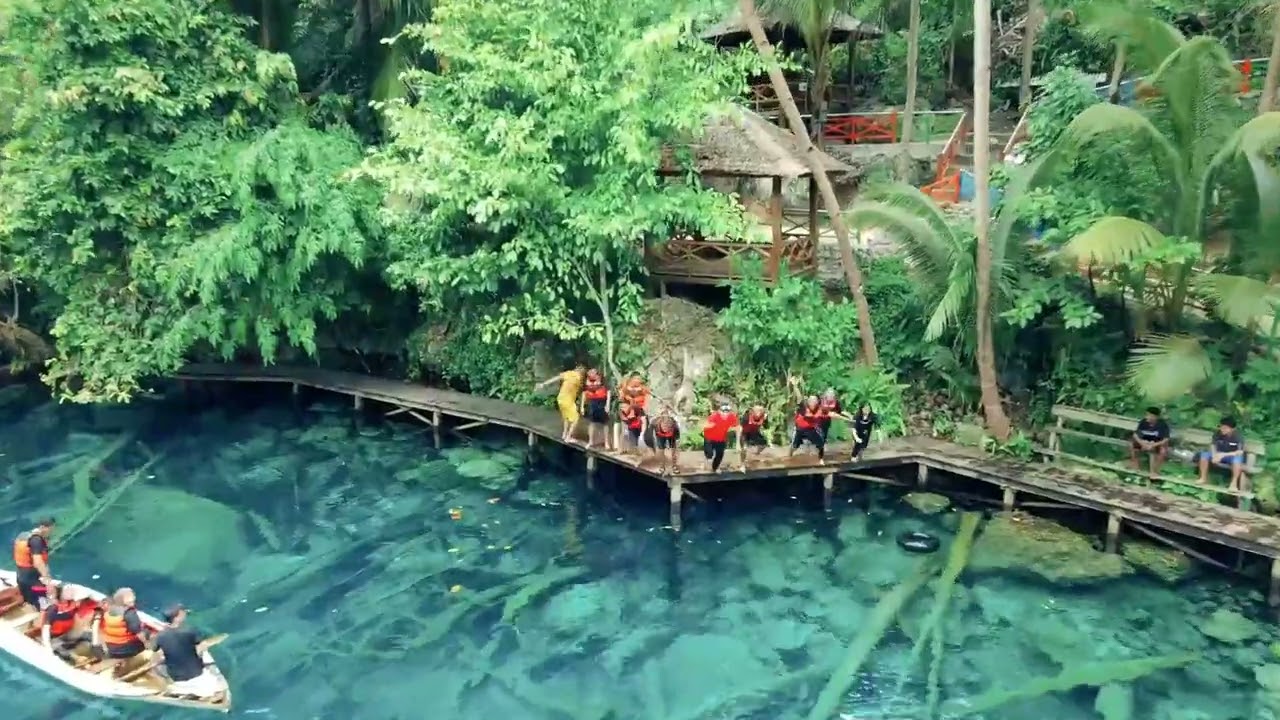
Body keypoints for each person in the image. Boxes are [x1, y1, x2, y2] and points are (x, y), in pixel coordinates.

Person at [154, 605, 224, 700]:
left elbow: (156, 655)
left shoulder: (160, 636)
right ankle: (202, 693)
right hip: (197, 675)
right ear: (176, 618)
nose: (185, 615)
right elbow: (200, 649)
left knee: (161, 666)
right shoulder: (190, 631)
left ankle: (180, 689)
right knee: (220, 690)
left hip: (176, 678)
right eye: (182, 614)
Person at [98, 587, 150, 665]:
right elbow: (139, 634)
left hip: (109, 647)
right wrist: (147, 645)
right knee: (146, 632)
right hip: (123, 649)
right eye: (129, 597)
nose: (133, 599)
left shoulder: (109, 609)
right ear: (121, 599)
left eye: (133, 596)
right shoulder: (130, 613)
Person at [13, 518, 55, 611]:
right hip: (30, 579)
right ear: (43, 527)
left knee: (30, 599)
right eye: (50, 529)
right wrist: (47, 578)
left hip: (21, 576)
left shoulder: (24, 535)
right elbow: (38, 562)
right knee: (47, 601)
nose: (51, 532)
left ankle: (33, 607)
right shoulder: (36, 541)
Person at [535, 365, 585, 442]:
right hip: (567, 400)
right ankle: (568, 437)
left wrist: (543, 384)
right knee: (576, 419)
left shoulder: (568, 373)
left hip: (561, 398)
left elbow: (556, 378)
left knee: (566, 417)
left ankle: (564, 434)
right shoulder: (578, 378)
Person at [37, 584, 88, 658]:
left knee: (87, 634)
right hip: (54, 638)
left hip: (67, 633)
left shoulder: (74, 605)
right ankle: (76, 658)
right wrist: (48, 647)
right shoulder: (52, 610)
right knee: (58, 647)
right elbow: (45, 631)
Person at [1198, 416, 1247, 492]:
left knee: (1237, 461)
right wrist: (1214, 455)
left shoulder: (1238, 436)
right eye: (1221, 427)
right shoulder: (1218, 433)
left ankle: (1233, 484)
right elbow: (1213, 445)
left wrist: (1223, 455)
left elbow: (1239, 452)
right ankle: (1203, 478)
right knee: (1204, 455)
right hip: (1218, 455)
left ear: (1232, 429)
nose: (1222, 429)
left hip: (1231, 456)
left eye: (1225, 428)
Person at [1130, 406, 1170, 478]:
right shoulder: (1143, 422)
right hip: (1143, 442)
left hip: (1155, 443)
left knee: (1162, 451)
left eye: (1148, 415)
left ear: (1155, 417)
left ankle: (1154, 471)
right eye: (1146, 415)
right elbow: (1135, 435)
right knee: (1132, 445)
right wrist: (1142, 443)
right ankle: (1135, 467)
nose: (1146, 417)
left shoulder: (1162, 425)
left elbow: (1165, 439)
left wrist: (1153, 445)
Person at [701, 402, 740, 473]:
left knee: (720, 455)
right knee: (709, 455)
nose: (725, 414)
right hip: (709, 437)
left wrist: (738, 443)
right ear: (719, 411)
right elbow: (704, 425)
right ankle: (707, 460)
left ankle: (714, 468)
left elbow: (738, 428)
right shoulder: (714, 417)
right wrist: (708, 426)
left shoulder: (732, 417)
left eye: (727, 412)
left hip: (721, 438)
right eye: (723, 412)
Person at [580, 368, 612, 449]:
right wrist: (582, 406)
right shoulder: (586, 381)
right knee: (591, 423)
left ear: (597, 373)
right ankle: (590, 441)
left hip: (602, 402)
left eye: (593, 372)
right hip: (592, 402)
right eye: (590, 373)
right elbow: (584, 393)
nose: (591, 374)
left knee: (605, 423)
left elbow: (608, 392)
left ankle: (606, 443)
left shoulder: (603, 380)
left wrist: (607, 405)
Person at [615, 375, 650, 448]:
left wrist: (639, 406)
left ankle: (641, 438)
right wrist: (630, 403)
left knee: (643, 421)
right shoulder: (625, 395)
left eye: (636, 387)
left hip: (640, 417)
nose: (634, 389)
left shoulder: (645, 394)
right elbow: (623, 410)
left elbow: (645, 408)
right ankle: (622, 447)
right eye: (632, 387)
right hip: (628, 419)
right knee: (626, 431)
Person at [790, 395, 826, 464]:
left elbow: (829, 413)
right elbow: (808, 416)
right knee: (795, 446)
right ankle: (790, 453)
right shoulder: (803, 408)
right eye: (811, 401)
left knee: (821, 444)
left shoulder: (819, 408)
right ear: (808, 402)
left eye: (814, 401)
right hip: (800, 429)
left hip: (811, 429)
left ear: (817, 402)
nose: (813, 403)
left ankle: (821, 459)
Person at [648, 407, 681, 475]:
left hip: (672, 436)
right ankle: (662, 467)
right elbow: (649, 434)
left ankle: (674, 466)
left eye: (668, 426)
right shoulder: (655, 423)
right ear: (661, 424)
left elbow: (677, 437)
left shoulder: (674, 425)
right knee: (661, 451)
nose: (666, 427)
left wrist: (676, 442)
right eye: (664, 426)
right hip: (660, 435)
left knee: (674, 450)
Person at [739, 404, 770, 469]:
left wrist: (765, 420)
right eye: (757, 411)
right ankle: (742, 463)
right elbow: (740, 427)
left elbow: (766, 427)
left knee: (763, 444)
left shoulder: (763, 417)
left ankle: (756, 454)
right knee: (744, 449)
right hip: (745, 433)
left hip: (754, 433)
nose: (758, 413)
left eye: (760, 411)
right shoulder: (747, 417)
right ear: (752, 412)